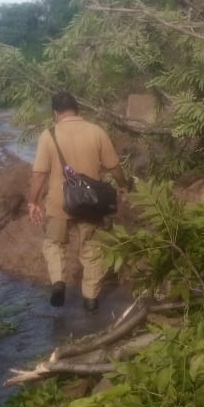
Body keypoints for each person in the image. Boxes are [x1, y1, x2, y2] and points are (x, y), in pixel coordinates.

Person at [27, 91, 129, 312]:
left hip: (58, 204)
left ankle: (58, 282)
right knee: (92, 249)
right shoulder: (96, 131)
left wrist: (33, 201)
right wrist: (123, 185)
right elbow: (114, 167)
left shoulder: (48, 135)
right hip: (90, 204)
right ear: (78, 110)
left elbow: (39, 174)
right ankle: (91, 298)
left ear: (55, 113)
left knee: (54, 244)